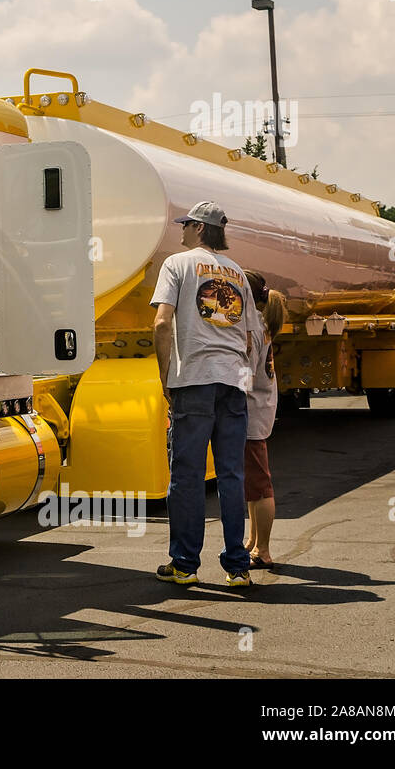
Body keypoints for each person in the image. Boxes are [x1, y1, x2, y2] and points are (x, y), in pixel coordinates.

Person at [151, 200, 259, 587]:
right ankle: (237, 566)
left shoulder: (177, 265)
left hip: (193, 379)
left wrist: (166, 376)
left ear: (198, 228)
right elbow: (247, 338)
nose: (180, 231)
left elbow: (163, 323)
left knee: (188, 476)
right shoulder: (238, 274)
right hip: (232, 383)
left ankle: (184, 565)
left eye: (185, 225)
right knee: (231, 475)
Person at [243, 270, 286, 570]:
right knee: (251, 484)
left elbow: (247, 374)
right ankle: (253, 540)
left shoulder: (253, 329)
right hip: (259, 406)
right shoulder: (260, 323)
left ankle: (264, 549)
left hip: (252, 410)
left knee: (259, 484)